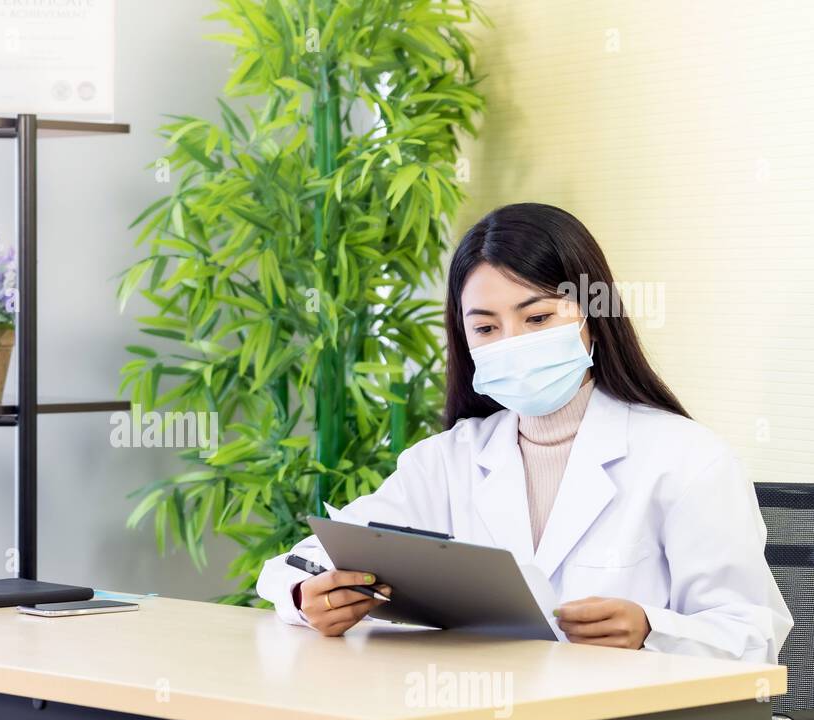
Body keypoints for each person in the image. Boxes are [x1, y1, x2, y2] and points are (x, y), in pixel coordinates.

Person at [256, 203, 791, 662]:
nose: (511, 343)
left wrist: (653, 630)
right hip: (481, 718)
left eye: (537, 319)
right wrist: (306, 595)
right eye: (486, 327)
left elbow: (754, 635)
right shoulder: (447, 460)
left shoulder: (688, 459)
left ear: (593, 316)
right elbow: (298, 562)